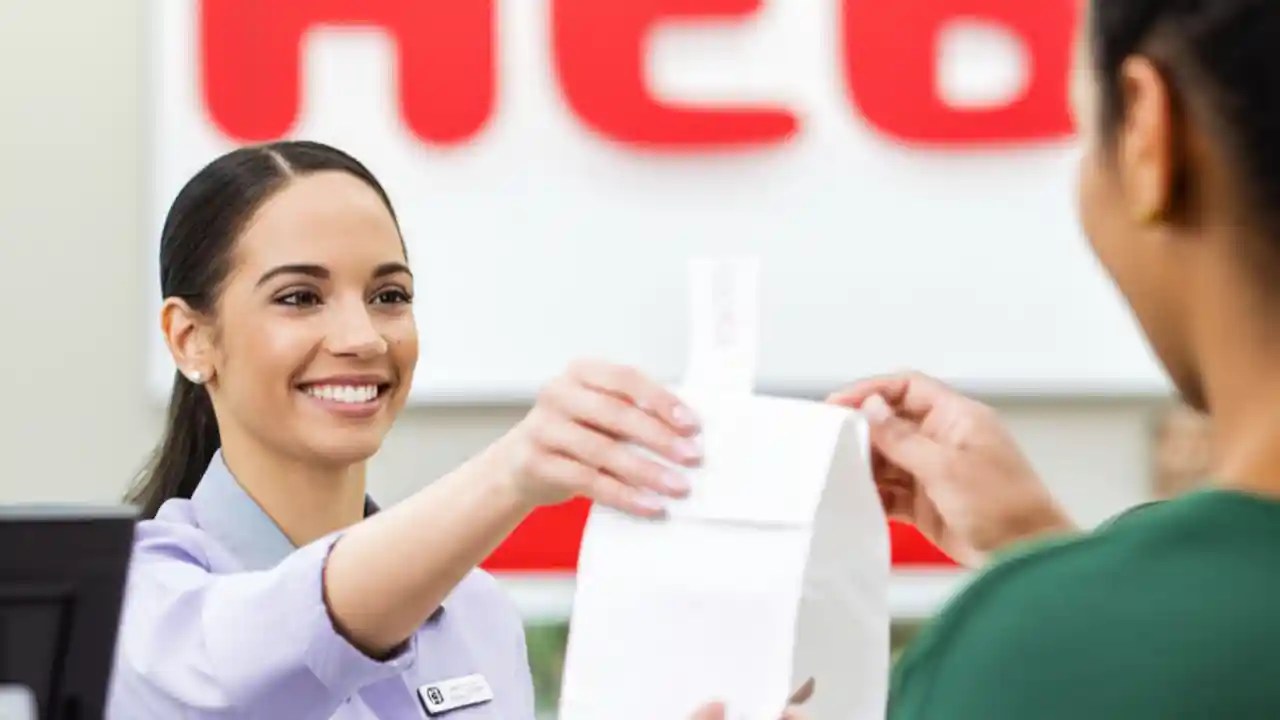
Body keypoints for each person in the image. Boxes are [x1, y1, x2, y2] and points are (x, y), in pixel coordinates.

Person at [106, 141, 712, 719]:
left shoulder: (479, 614)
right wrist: (510, 473)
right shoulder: (134, 606)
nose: (363, 337)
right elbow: (280, 638)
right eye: (299, 297)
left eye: (388, 295)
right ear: (191, 338)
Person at [824, 0, 1280, 716]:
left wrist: (1057, 609)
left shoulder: (1024, 653)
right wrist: (1036, 548)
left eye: (1081, 133)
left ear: (1146, 132)